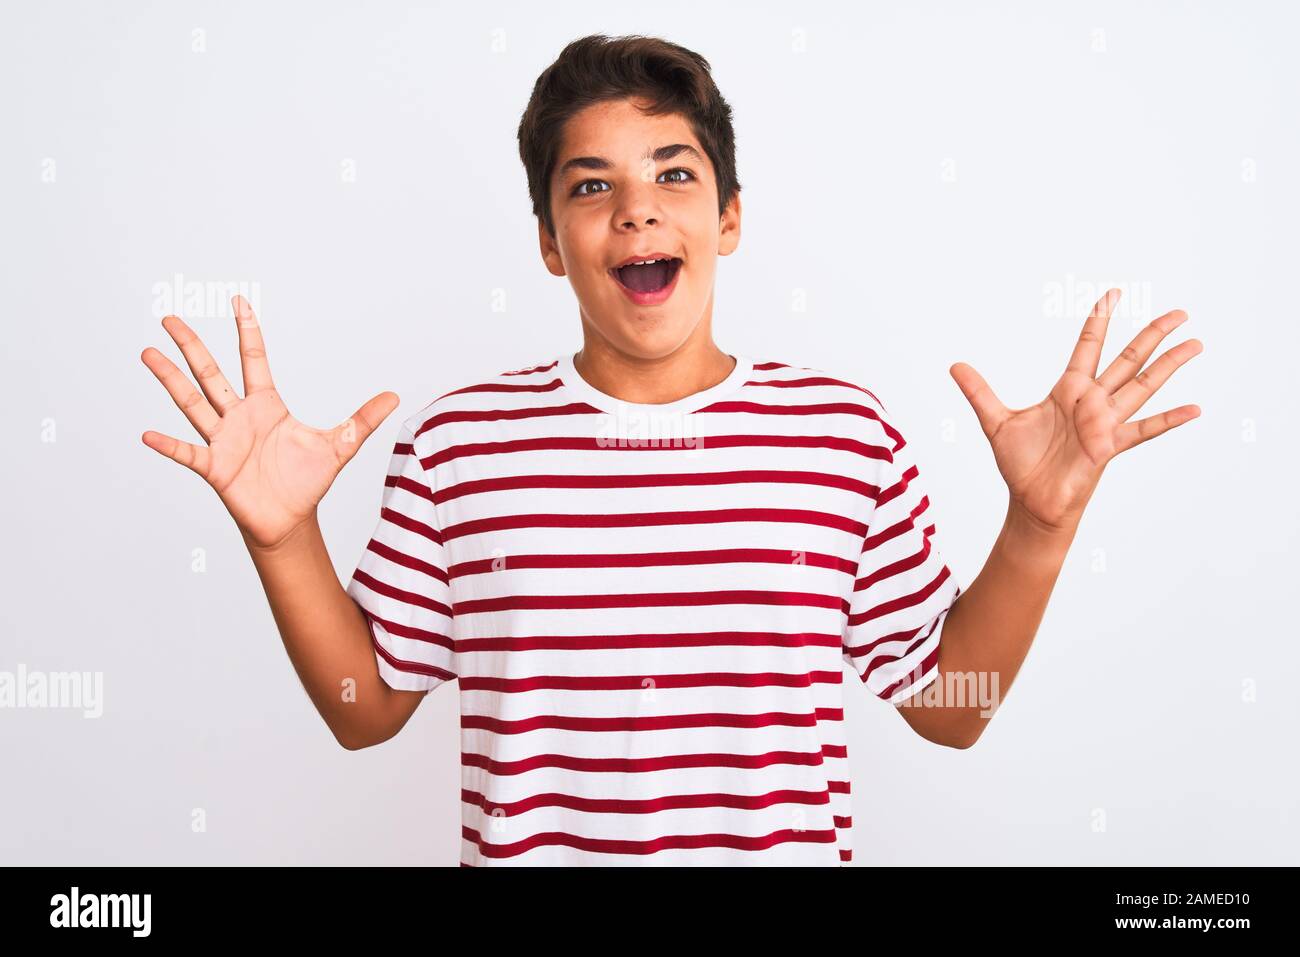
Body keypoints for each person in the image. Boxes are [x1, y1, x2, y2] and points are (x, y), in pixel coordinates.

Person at [138, 34, 1202, 866]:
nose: (636, 207)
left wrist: (1038, 527)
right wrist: (283, 541)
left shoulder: (842, 437)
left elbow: (948, 712)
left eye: (674, 176)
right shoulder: (457, 447)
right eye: (591, 185)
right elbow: (363, 715)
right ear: (552, 244)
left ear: (729, 218)